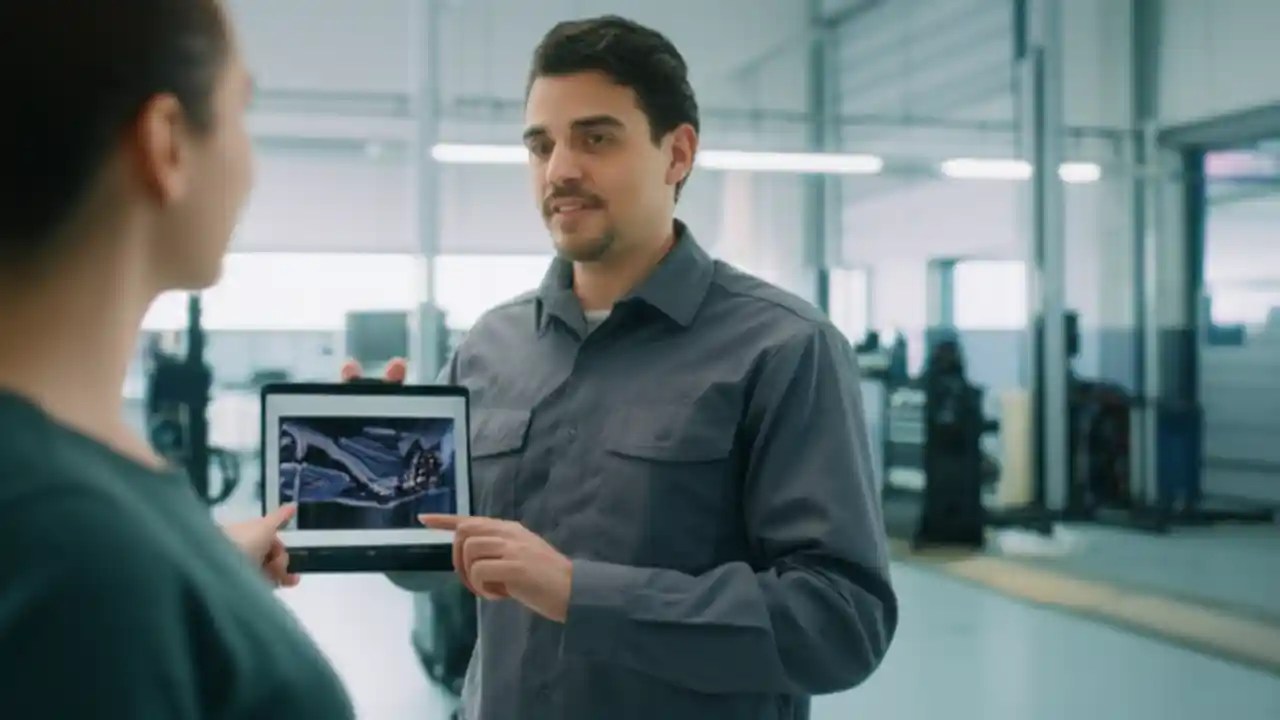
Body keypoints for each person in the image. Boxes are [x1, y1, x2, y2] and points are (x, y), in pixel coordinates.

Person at [353, 15, 897, 720]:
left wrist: (580, 593)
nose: (560, 170)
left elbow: (840, 622)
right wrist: (369, 481)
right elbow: (432, 560)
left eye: (596, 138)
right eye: (540, 145)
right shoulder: (489, 347)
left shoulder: (785, 349)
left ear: (678, 154)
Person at [0, 2, 352, 718]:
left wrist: (200, 573)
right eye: (238, 111)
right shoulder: (81, 562)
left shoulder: (74, 526)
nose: (250, 165)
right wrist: (151, 584)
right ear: (166, 144)